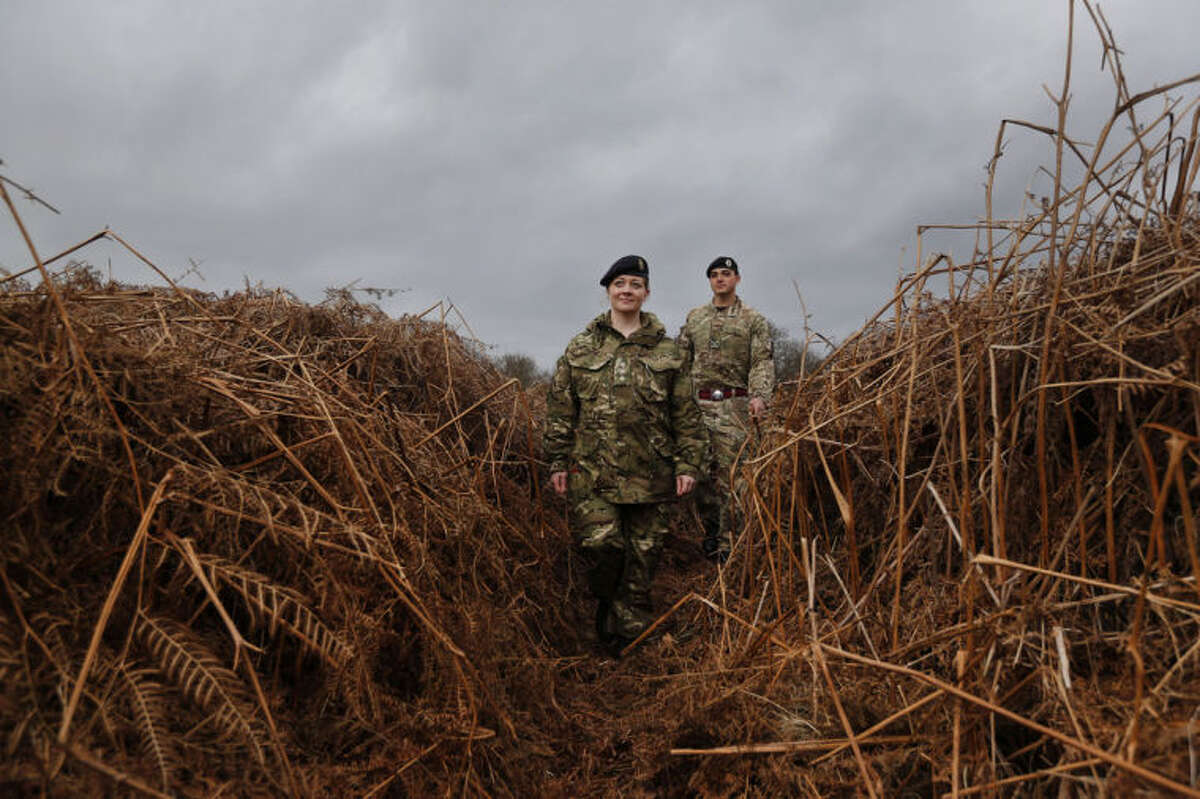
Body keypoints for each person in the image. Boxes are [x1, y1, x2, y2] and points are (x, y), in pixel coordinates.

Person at [544, 254, 707, 655]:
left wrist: (688, 464)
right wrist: (557, 460)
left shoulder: (669, 351)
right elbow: (561, 409)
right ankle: (604, 604)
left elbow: (685, 413)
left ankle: (626, 637)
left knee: (643, 556)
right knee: (603, 546)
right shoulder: (581, 347)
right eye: (620, 284)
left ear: (646, 293)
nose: (627, 291)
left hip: (651, 471)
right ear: (608, 292)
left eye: (635, 285)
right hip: (593, 471)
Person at [677, 256, 775, 562]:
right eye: (715, 274)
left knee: (736, 478)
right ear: (709, 281)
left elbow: (761, 359)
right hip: (699, 406)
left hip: (735, 406)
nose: (720, 279)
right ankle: (712, 534)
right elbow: (681, 360)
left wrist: (759, 395)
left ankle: (733, 542)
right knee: (703, 475)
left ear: (737, 279)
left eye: (726, 274)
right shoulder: (695, 318)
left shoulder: (752, 319)